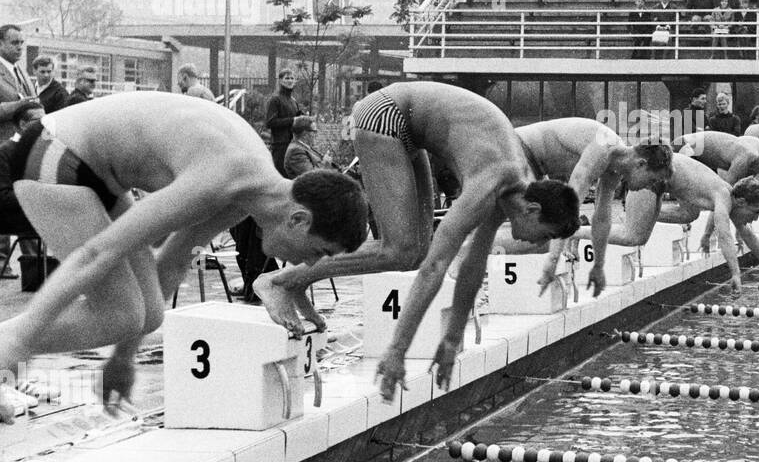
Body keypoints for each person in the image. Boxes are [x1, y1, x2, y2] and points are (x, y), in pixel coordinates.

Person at [0, 93, 370, 424]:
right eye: (319, 252)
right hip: (52, 151)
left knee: (147, 315)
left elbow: (172, 263)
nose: (309, 264)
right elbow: (97, 253)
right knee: (122, 313)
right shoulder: (222, 177)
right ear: (298, 220)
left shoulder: (242, 195)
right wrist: (20, 347)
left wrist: (123, 359)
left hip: (96, 172)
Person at [254, 83, 581, 397]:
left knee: (414, 252)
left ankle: (294, 281)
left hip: (411, 128)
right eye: (547, 235)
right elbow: (436, 268)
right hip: (383, 115)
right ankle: (279, 282)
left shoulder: (513, 189)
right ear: (534, 210)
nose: (537, 244)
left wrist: (451, 340)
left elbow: (472, 266)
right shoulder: (492, 181)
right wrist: (397, 350)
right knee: (402, 250)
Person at [514, 119, 673, 294]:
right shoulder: (603, 149)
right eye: (652, 180)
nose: (649, 187)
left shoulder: (615, 167)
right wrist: (552, 260)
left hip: (533, 164)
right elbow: (569, 203)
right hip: (517, 148)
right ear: (641, 164)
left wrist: (598, 266)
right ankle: (484, 251)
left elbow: (602, 219)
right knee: (541, 235)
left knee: (545, 236)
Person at [586, 155, 759, 292]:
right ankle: (576, 231)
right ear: (742, 202)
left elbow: (748, 234)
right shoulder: (722, 197)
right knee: (634, 237)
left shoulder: (727, 198)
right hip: (650, 175)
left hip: (662, 175)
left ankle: (632, 217)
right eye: (756, 212)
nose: (755, 218)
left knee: (689, 214)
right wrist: (735, 273)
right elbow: (725, 235)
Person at [0, 24, 38, 137]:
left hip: (24, 143)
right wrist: (19, 106)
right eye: (15, 43)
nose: (20, 47)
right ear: (0, 44)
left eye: (22, 42)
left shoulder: (21, 71)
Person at [265, 69, 301, 176]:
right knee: (280, 176)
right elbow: (270, 122)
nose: (290, 81)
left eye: (292, 78)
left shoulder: (293, 101)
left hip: (293, 144)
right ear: (280, 81)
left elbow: (296, 119)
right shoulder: (275, 100)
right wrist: (292, 120)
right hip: (280, 145)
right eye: (287, 78)